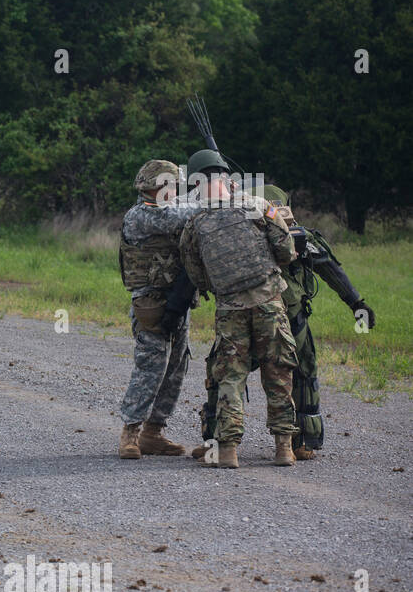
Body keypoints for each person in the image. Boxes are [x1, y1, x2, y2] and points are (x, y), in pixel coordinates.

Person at [194, 185, 375, 460]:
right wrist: (356, 304)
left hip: (250, 314)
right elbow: (331, 269)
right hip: (287, 316)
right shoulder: (297, 235)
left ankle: (218, 443)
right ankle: (300, 442)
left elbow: (200, 265)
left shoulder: (236, 231)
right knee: (299, 373)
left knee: (225, 372)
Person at [179, 152, 299, 468]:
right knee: (278, 372)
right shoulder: (257, 207)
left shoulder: (195, 222)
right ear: (227, 177)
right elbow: (286, 250)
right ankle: (284, 448)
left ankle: (228, 449)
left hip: (229, 307)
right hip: (268, 302)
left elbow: (194, 271)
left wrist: (217, 288)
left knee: (230, 377)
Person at [117, 159, 201, 459]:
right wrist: (219, 201)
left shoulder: (172, 208)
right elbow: (179, 216)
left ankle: (153, 432)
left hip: (178, 302)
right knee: (150, 368)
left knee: (176, 368)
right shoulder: (142, 214)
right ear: (157, 188)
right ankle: (130, 432)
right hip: (151, 302)